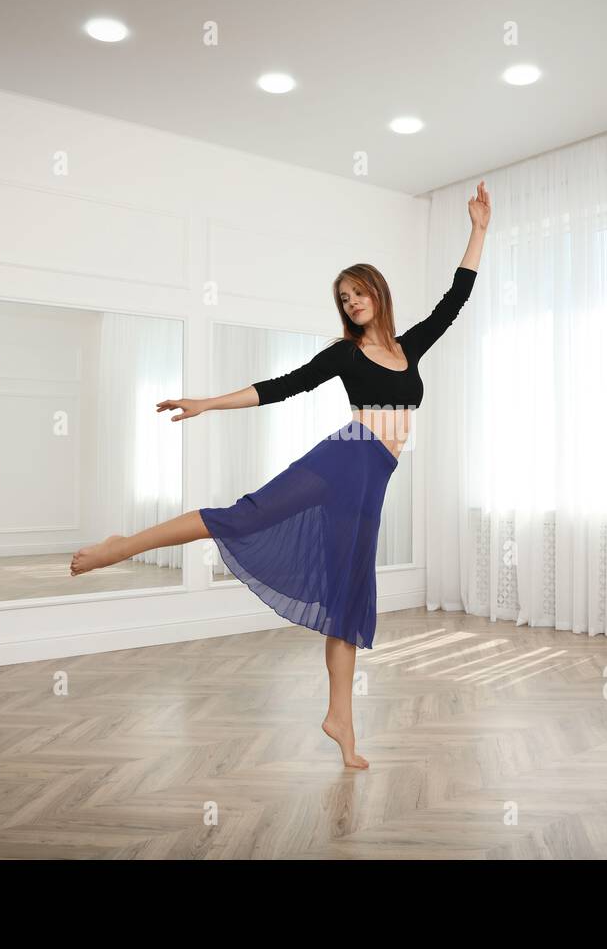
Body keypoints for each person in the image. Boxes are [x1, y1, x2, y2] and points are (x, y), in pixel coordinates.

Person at [73, 182, 491, 767]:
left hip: (374, 481)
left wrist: (477, 230)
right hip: (344, 457)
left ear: (377, 292)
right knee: (243, 517)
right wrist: (206, 403)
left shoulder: (410, 347)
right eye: (343, 298)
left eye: (357, 293)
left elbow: (456, 297)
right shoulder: (344, 355)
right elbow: (279, 388)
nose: (350, 303)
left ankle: (340, 720)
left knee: (350, 596)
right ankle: (121, 547)